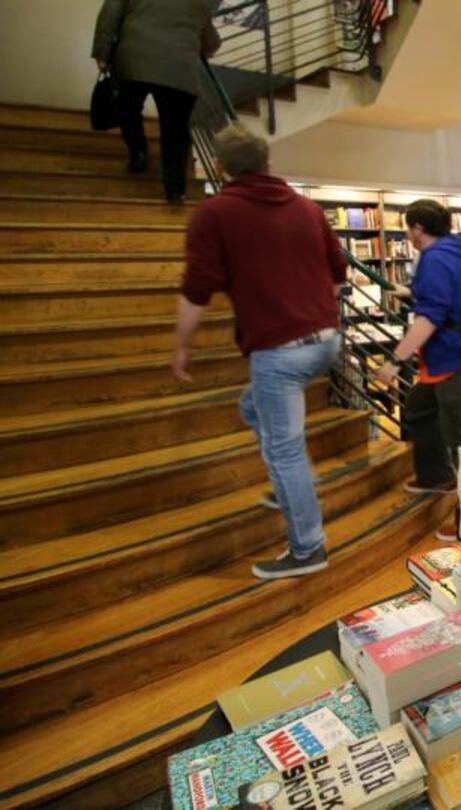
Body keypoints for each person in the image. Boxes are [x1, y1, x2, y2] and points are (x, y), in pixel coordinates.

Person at [173, 124, 345, 579]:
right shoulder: (308, 209)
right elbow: (338, 273)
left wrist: (182, 347)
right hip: (327, 341)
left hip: (279, 352)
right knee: (253, 408)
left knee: (284, 450)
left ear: (223, 167)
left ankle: (308, 549)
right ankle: (293, 484)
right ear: (268, 163)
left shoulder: (214, 214)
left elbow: (196, 290)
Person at [376, 199, 461, 542]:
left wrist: (395, 360)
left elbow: (430, 318)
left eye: (407, 228)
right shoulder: (460, 249)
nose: (407, 234)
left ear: (417, 229)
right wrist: (413, 293)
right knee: (418, 407)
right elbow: (451, 297)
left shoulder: (434, 258)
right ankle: (437, 477)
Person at [93, 0, 220, 205]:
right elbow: (211, 41)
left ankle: (138, 151)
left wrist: (103, 53)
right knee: (176, 131)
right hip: (180, 68)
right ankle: (175, 190)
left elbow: (109, 15)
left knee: (128, 108)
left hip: (135, 56)